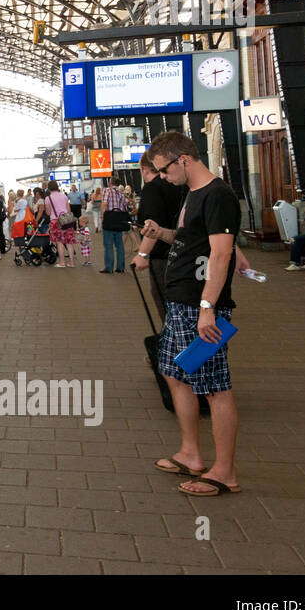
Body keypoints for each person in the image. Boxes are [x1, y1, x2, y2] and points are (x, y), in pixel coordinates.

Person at [141, 130, 244, 497]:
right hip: (181, 303)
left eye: (164, 170)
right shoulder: (192, 194)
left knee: (215, 388)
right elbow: (189, 241)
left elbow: (220, 254)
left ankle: (225, 472)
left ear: (183, 159)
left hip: (201, 308)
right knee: (173, 373)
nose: (162, 178)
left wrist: (207, 309)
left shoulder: (218, 195)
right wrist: (162, 232)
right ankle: (191, 453)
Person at [130, 151, 188, 320]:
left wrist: (142, 254)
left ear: (144, 169)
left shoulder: (152, 189)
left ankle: (174, 343)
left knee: (166, 305)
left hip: (163, 257)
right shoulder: (182, 184)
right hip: (186, 252)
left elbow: (152, 225)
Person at [44, 180, 77, 267]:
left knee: (59, 242)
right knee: (69, 241)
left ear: (49, 188)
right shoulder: (64, 196)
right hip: (67, 220)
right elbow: (69, 210)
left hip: (55, 221)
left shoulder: (48, 198)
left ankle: (62, 262)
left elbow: (48, 213)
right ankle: (72, 263)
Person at [101, 182, 131, 273]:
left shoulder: (107, 191)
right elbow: (125, 206)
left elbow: (104, 204)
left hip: (109, 219)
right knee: (120, 245)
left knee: (108, 245)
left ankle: (109, 267)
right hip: (119, 221)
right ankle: (120, 267)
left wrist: (102, 217)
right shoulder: (121, 193)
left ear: (110, 183)